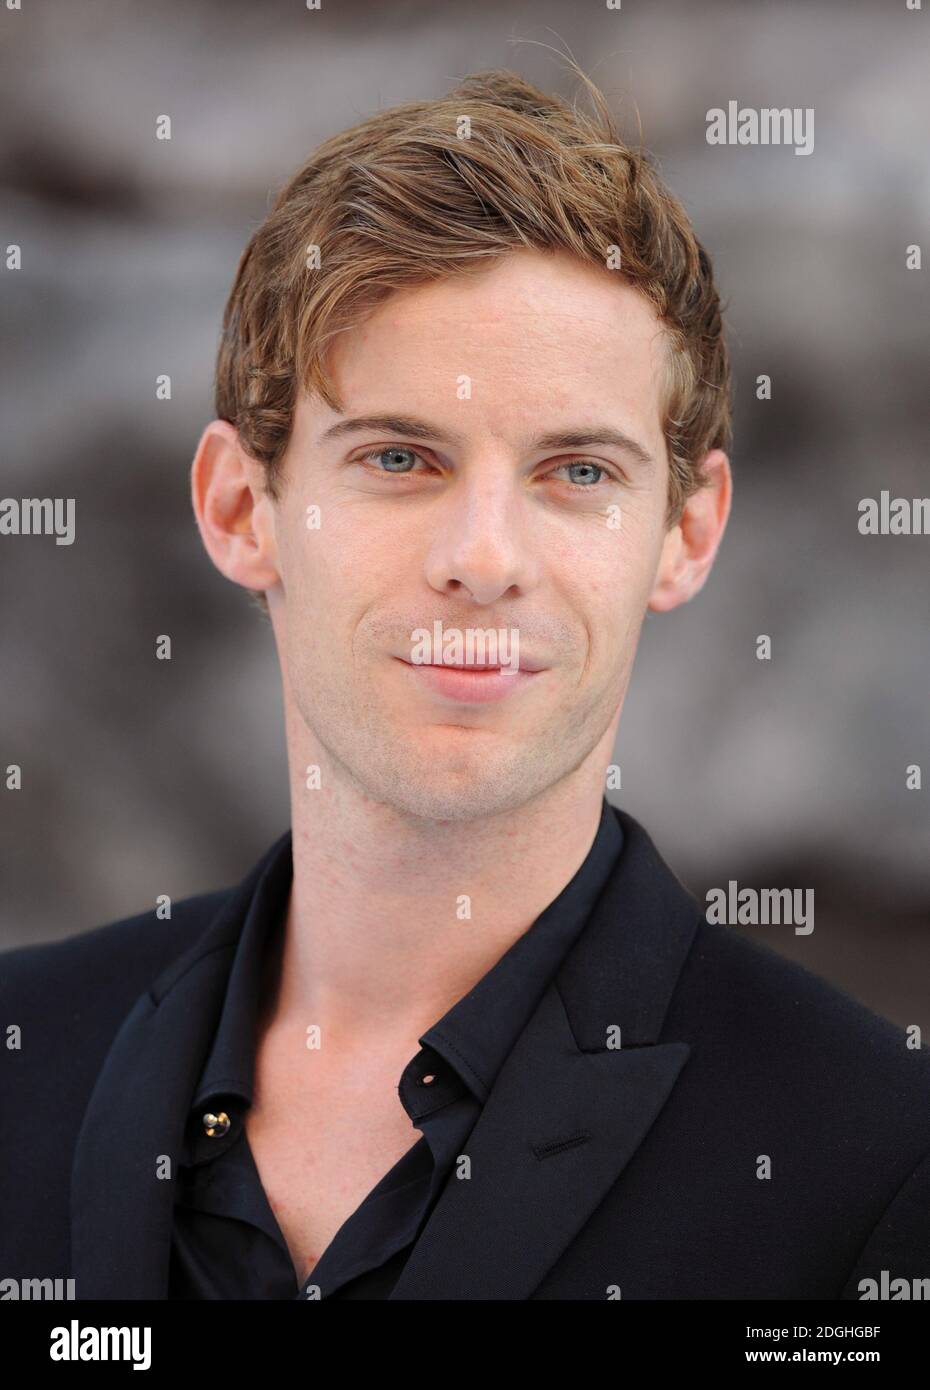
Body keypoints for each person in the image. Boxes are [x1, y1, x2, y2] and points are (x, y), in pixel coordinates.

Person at [1, 66, 928, 1302]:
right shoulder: (21, 1060)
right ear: (241, 508)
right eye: (400, 456)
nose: (483, 560)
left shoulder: (875, 1159)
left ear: (687, 532)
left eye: (578, 472)